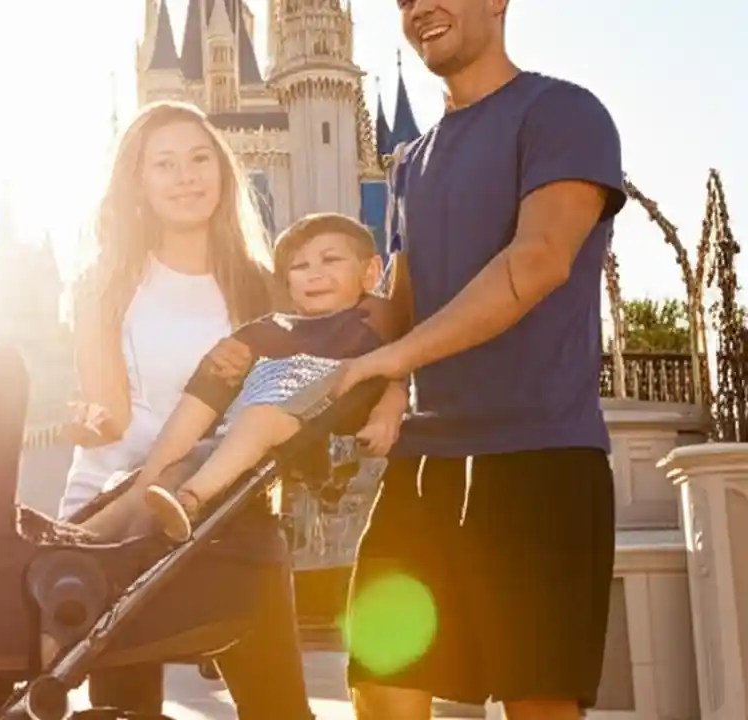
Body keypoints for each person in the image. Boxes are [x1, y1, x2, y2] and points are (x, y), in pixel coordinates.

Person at [289, 2, 623, 718]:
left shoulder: (564, 114)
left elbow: (536, 263)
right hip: (425, 469)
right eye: (404, 0)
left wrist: (393, 361)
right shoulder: (408, 162)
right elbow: (398, 304)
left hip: (541, 461)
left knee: (537, 702)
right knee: (380, 683)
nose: (419, 9)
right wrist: (276, 349)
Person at [60, 99, 312, 719]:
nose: (186, 176)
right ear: (139, 183)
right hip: (118, 515)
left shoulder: (260, 285)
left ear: (224, 173)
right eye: (164, 164)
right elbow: (111, 412)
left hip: (229, 510)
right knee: (125, 708)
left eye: (200, 159)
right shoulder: (105, 282)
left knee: (278, 707)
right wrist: (89, 421)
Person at [81, 213, 407, 543]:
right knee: (176, 464)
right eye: (300, 267)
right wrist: (224, 360)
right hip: (238, 436)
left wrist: (389, 409)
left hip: (303, 425)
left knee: (261, 418)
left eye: (331, 260)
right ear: (288, 286)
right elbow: (210, 385)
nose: (315, 274)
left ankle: (191, 499)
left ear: (370, 272)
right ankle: (90, 533)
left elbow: (403, 361)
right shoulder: (272, 329)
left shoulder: (375, 314)